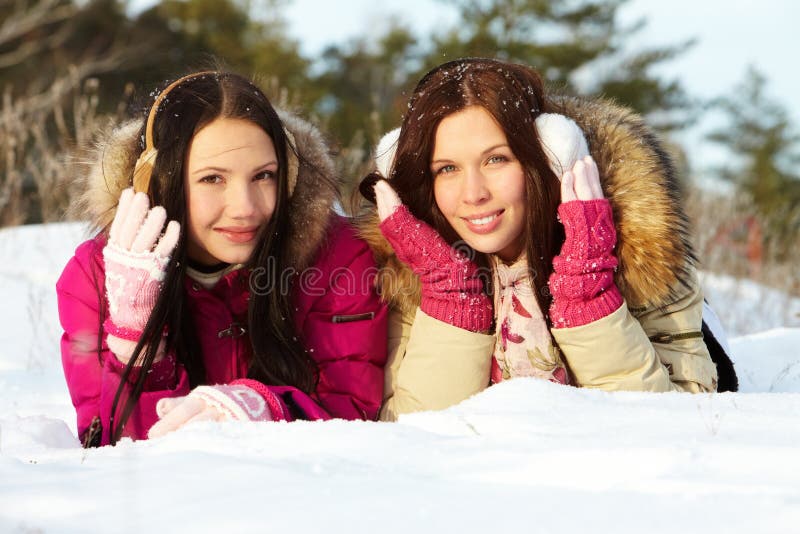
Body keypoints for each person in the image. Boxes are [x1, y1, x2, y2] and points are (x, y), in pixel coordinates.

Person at [355, 58, 736, 421]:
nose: (473, 194)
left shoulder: (641, 255)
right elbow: (409, 434)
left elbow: (681, 424)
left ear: (545, 155)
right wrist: (450, 294)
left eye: (496, 160)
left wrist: (587, 294)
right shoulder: (404, 273)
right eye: (448, 168)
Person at [57, 71, 388, 446]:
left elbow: (353, 413)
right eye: (212, 179)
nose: (245, 208)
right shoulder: (96, 276)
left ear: (290, 177)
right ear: (158, 181)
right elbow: (115, 449)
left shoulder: (336, 258)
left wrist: (266, 409)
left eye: (264, 176)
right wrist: (138, 344)